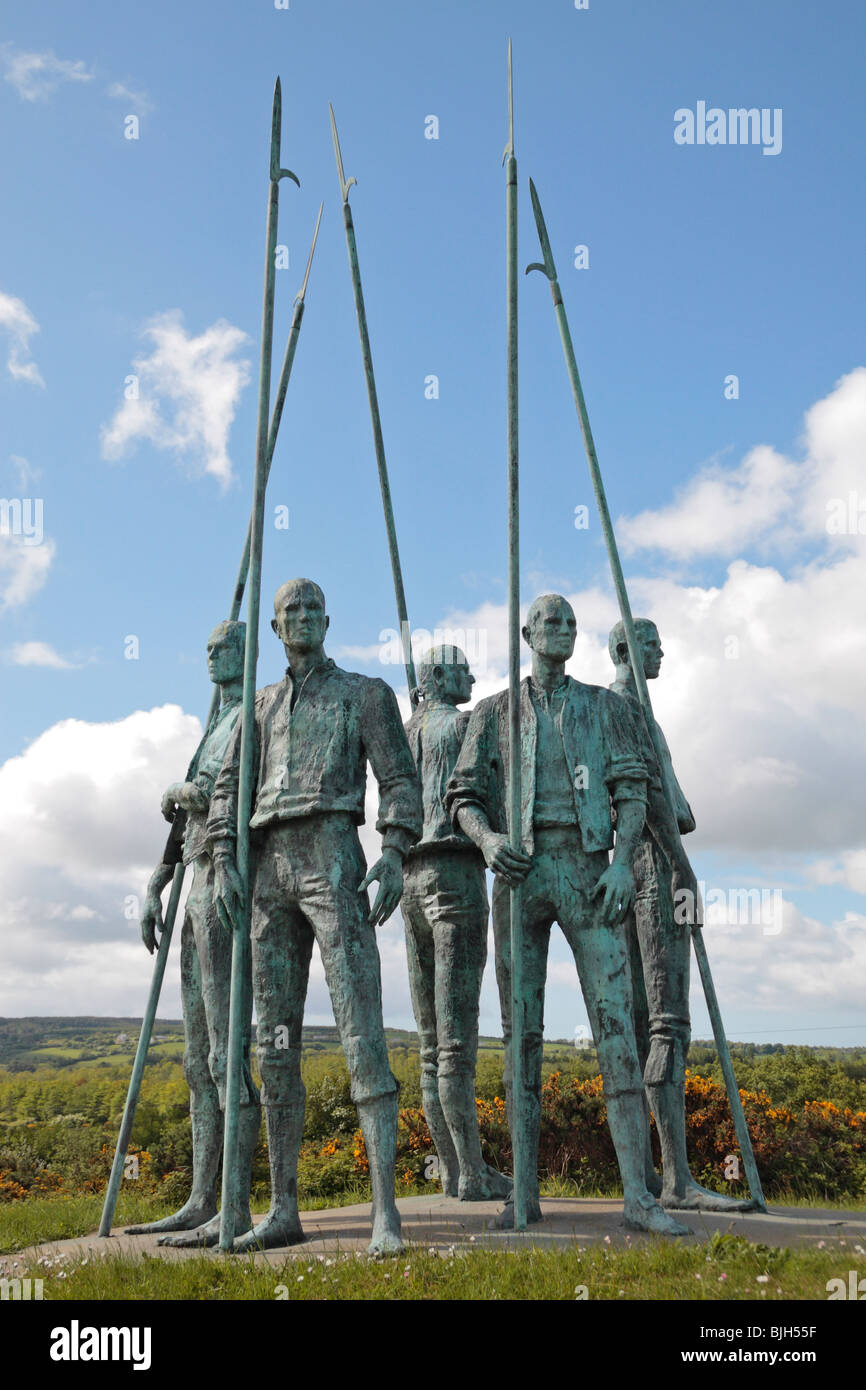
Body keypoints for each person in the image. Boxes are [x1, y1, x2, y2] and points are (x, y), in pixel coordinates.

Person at [446, 593, 689, 1235]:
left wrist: (619, 864)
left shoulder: (607, 709)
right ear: (527, 632)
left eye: (571, 624)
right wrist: (490, 841)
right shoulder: (494, 713)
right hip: (520, 879)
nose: (562, 631)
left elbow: (632, 793)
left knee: (616, 1033)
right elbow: (463, 798)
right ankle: (522, 1195)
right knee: (521, 1037)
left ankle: (638, 1196)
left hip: (588, 871)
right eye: (550, 622)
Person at [208, 578, 422, 1255]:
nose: (300, 617)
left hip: (333, 853)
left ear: (328, 620)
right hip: (268, 861)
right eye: (288, 611)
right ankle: (282, 1208)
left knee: (361, 1023)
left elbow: (400, 780)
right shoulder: (257, 707)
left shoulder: (365, 694)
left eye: (310, 608)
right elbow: (227, 790)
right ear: (274, 629)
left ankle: (385, 1213)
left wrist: (392, 852)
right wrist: (222, 854)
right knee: (273, 1042)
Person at [608, 617, 753, 1212]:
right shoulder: (631, 710)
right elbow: (652, 799)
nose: (661, 651)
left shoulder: (621, 711)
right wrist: (682, 868)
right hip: (656, 868)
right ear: (624, 649)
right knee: (668, 1024)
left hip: (629, 871)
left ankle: (654, 1176)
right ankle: (675, 1180)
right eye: (651, 643)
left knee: (646, 1023)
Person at [126, 619, 261, 1248]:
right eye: (206, 647)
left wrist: (185, 791)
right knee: (195, 1056)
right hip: (196, 878)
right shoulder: (214, 721)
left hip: (233, 880)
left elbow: (217, 797)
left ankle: (233, 1205)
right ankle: (201, 1197)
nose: (212, 656)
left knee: (224, 1052)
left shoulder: (258, 713)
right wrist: (157, 879)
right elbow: (186, 814)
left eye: (223, 647)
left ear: (246, 652)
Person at [402, 645, 511, 1201]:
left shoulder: (405, 728)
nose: (472, 676)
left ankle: (450, 1169)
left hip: (407, 879)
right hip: (456, 874)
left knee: (429, 1044)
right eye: (463, 668)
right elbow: (492, 791)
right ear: (440, 677)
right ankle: (471, 1172)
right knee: (455, 1044)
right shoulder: (469, 725)